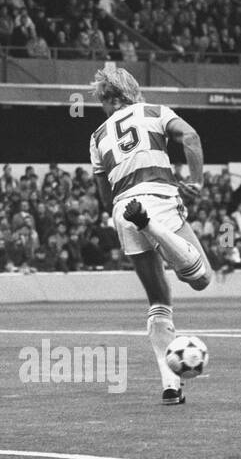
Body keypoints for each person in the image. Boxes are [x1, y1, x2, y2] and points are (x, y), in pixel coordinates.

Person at [89, 66, 210, 406]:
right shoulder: (155, 111)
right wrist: (197, 180)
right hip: (157, 199)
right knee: (201, 278)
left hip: (123, 208)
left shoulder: (97, 136)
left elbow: (104, 193)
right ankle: (151, 225)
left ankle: (171, 385)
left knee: (159, 301)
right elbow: (191, 138)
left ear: (110, 100)